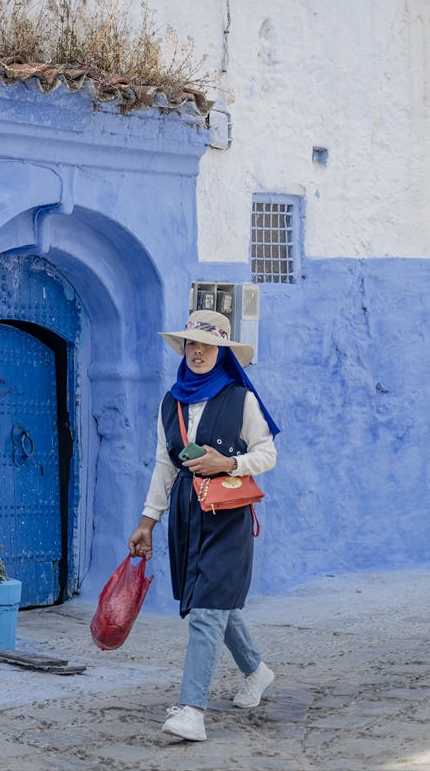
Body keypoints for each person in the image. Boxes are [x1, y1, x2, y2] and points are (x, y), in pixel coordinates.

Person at [128, 309, 281, 742]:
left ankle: (192, 709)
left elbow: (267, 453)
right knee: (212, 600)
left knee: (207, 609)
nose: (198, 352)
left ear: (222, 352)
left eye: (207, 345)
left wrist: (228, 461)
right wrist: (147, 521)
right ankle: (256, 669)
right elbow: (165, 464)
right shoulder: (170, 401)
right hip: (185, 515)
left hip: (228, 515)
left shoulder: (240, 399)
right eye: (191, 344)